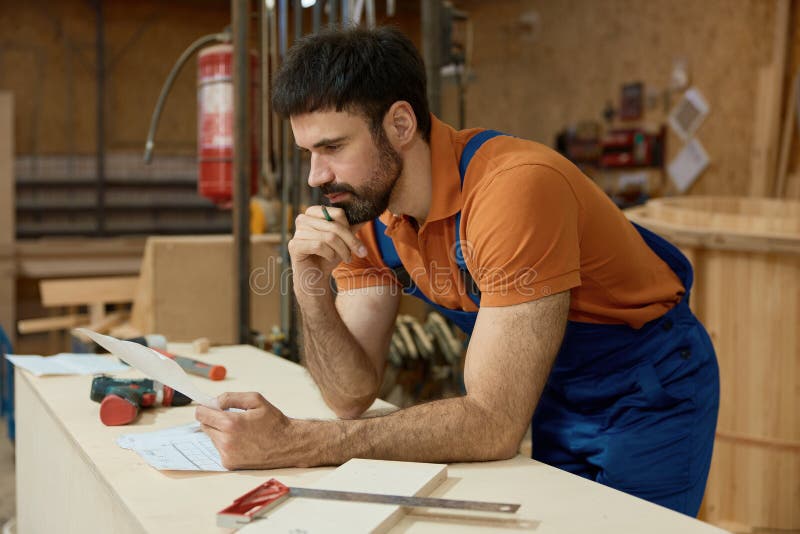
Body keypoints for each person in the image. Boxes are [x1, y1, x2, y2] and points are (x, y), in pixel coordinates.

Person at [196, 26, 719, 516]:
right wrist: (310, 284)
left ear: (400, 124)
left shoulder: (514, 190)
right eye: (308, 152)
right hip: (556, 387)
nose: (316, 176)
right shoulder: (371, 215)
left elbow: (493, 422)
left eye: (333, 147)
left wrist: (300, 442)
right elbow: (349, 394)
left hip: (648, 384)